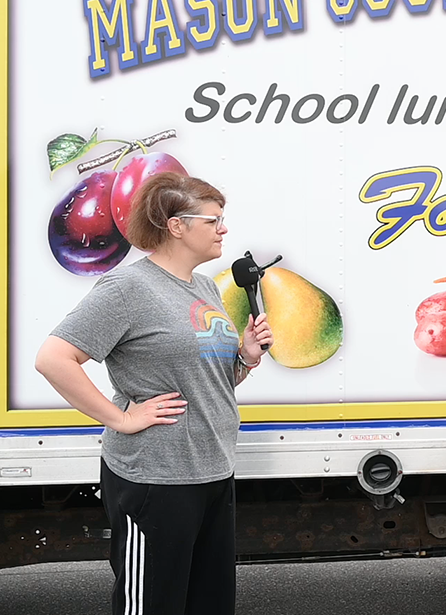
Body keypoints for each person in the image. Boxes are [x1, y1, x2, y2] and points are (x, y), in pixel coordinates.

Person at [34, 172, 273, 615]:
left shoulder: (204, 287)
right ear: (176, 225)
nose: (224, 229)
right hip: (156, 479)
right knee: (153, 606)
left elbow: (209, 379)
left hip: (212, 470)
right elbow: (53, 358)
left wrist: (246, 356)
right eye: (214, 221)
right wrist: (121, 418)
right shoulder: (127, 288)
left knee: (209, 603)